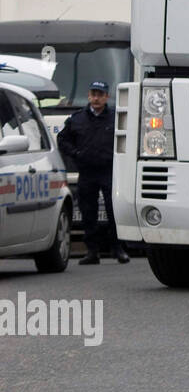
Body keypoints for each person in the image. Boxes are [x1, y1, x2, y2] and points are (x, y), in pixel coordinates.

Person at [57, 80, 129, 265]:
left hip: (109, 171)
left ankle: (118, 249)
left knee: (114, 211)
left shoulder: (116, 118)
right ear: (89, 96)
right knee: (88, 212)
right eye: (93, 94)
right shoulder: (77, 119)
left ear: (107, 97)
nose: (96, 98)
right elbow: (63, 140)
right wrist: (76, 154)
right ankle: (92, 251)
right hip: (87, 171)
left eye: (100, 94)